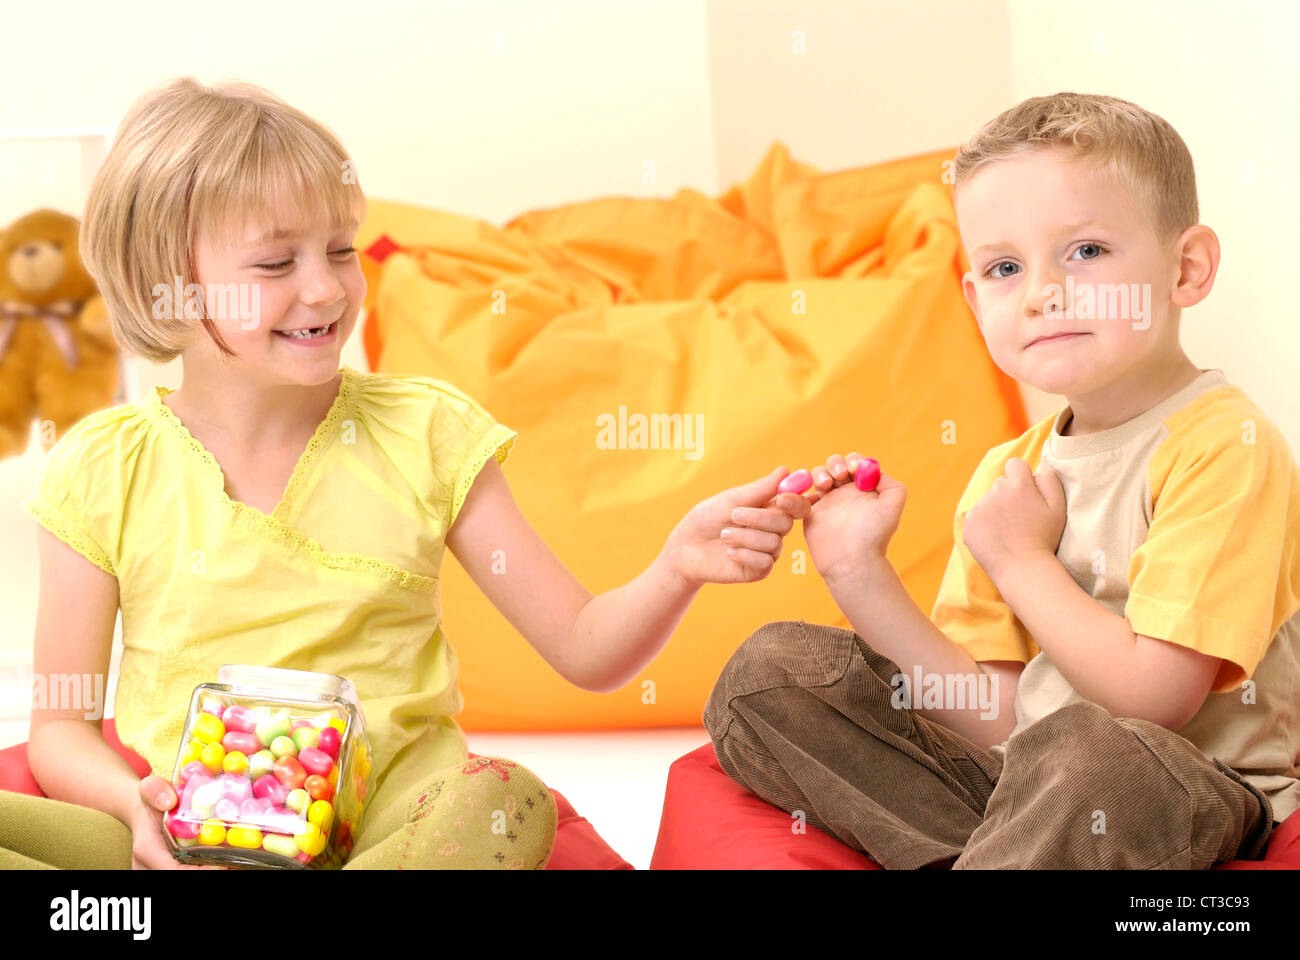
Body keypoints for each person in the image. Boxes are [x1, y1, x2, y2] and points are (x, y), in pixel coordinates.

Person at [0, 76, 811, 870]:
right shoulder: (102, 469)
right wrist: (134, 809)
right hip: (183, 838)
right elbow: (61, 731)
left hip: (396, 834)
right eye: (275, 263)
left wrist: (677, 566)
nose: (325, 286)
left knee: (502, 802)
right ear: (164, 289)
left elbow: (584, 648)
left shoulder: (423, 433)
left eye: (340, 249)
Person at [704, 91, 1300, 869]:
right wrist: (859, 571)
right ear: (974, 298)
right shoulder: (1007, 475)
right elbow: (989, 717)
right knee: (771, 675)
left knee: (1095, 758)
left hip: (1175, 791)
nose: (1042, 292)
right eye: (1005, 267)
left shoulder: (1225, 444)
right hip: (1020, 788)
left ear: (1186, 268)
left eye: (1086, 251)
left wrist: (1023, 561)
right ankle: (1003, 855)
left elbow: (1155, 702)